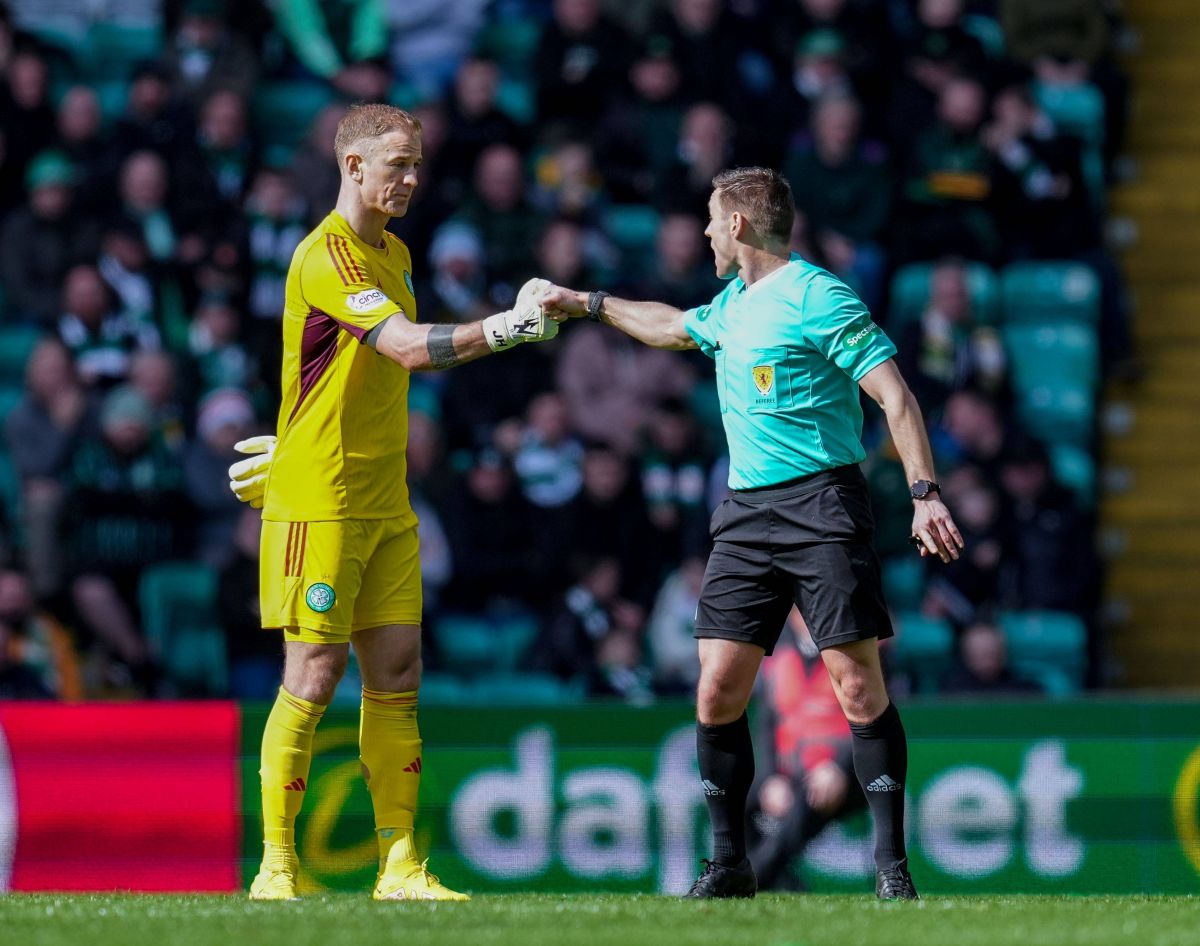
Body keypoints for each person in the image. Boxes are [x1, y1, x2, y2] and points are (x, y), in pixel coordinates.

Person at [541, 166, 963, 900]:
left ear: (737, 224)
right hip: (744, 514)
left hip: (822, 504)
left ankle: (891, 868)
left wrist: (925, 494)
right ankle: (730, 862)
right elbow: (672, 326)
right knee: (716, 692)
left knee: (857, 684)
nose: (704, 232)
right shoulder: (732, 304)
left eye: (711, 220)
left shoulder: (819, 295)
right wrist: (587, 302)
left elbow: (895, 395)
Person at [224, 103, 558, 902]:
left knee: (398, 674)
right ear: (353, 167)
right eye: (396, 164)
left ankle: (399, 865)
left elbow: (338, 373)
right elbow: (406, 348)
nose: (410, 178)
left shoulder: (398, 254)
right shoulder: (325, 257)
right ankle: (275, 866)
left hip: (385, 499)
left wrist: (294, 431)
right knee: (313, 672)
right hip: (324, 503)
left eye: (416, 164)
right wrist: (509, 326)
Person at [746, 608, 866, 891]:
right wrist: (771, 778)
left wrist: (837, 766)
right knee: (736, 797)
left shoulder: (853, 648)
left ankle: (752, 880)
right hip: (790, 770)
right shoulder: (777, 651)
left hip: (843, 772)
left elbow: (873, 726)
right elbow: (767, 723)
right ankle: (782, 881)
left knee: (803, 804)